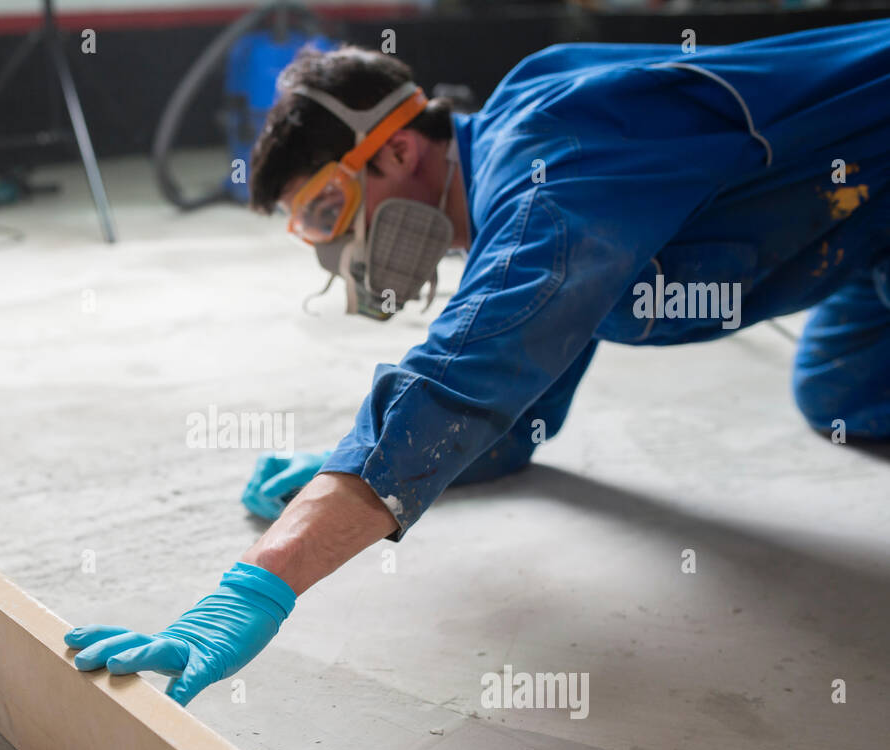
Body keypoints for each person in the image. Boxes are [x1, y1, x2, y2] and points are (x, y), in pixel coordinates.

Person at [66, 20, 890, 705]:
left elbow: (470, 371)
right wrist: (351, 470)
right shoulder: (518, 188)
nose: (336, 254)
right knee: (840, 389)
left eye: (329, 209)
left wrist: (259, 583)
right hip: (866, 232)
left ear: (394, 154)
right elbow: (509, 413)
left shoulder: (549, 170)